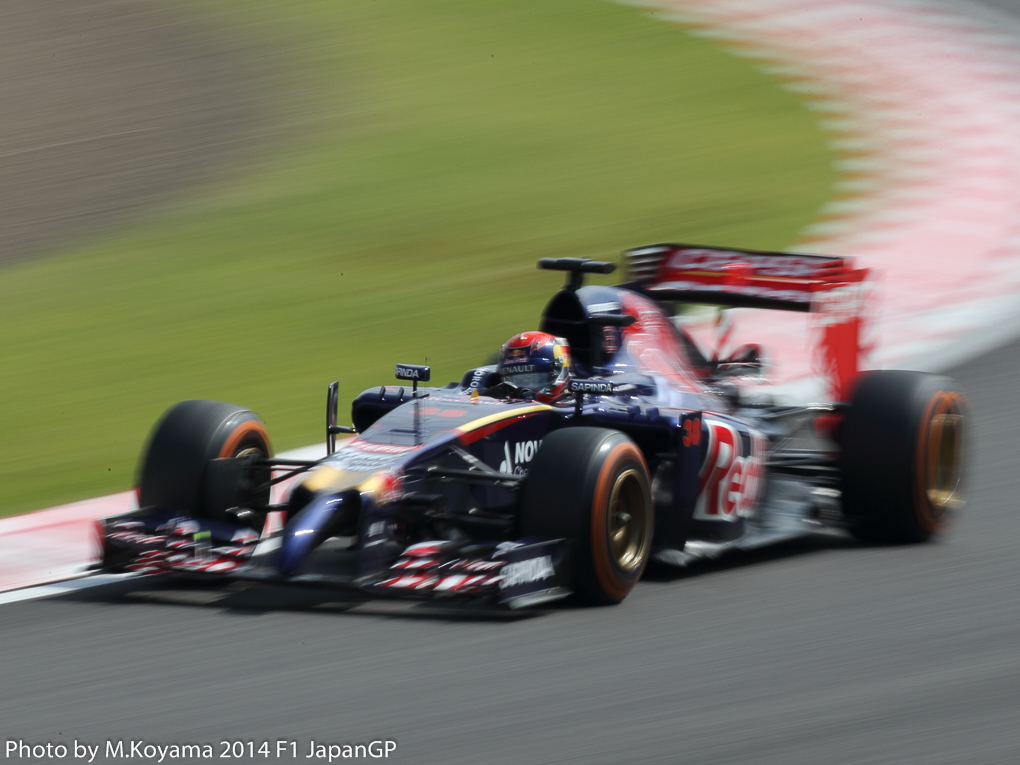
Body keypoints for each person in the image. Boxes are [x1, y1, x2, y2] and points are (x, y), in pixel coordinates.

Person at [496, 331, 572, 403]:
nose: (523, 391)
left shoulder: (578, 404)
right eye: (518, 380)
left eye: (532, 378)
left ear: (558, 371)